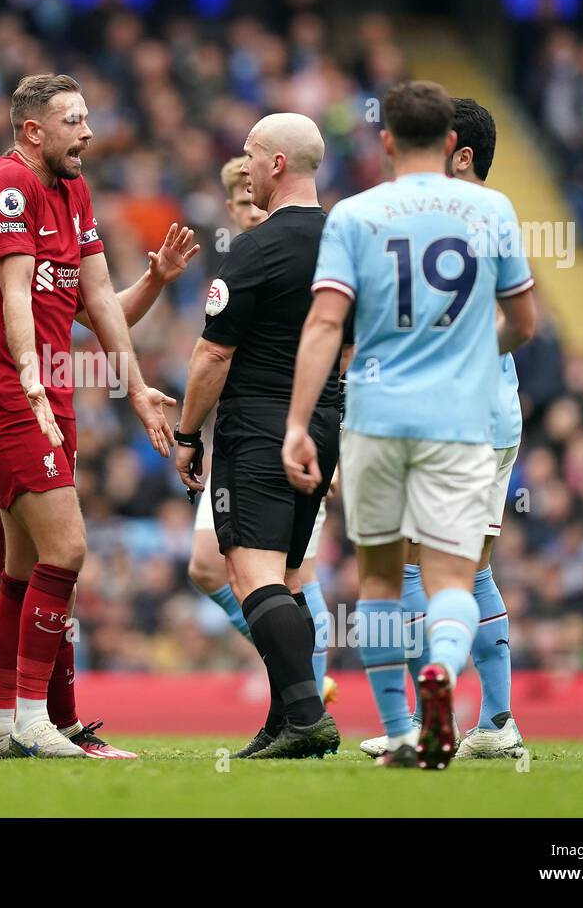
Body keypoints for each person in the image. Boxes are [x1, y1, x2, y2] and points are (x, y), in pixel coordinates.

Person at [282, 81, 537, 770]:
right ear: (451, 145)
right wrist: (467, 355)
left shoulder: (355, 214)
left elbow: (326, 323)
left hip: (376, 415)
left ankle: (402, 729)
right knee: (459, 576)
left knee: (382, 580)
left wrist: (300, 422)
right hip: (463, 415)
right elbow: (527, 321)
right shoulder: (493, 211)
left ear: (385, 139)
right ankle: (449, 680)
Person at [0, 223, 197, 758]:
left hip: (31, 432)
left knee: (23, 583)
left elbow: (101, 314)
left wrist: (154, 279)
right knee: (42, 575)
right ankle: (44, 723)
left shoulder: (49, 255)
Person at [0, 73, 175, 758]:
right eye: (74, 121)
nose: (87, 132)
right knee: (68, 549)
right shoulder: (8, 188)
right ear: (32, 131)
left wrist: (134, 387)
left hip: (55, 391)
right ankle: (32, 716)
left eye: (87, 118)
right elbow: (16, 293)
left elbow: (101, 296)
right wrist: (29, 379)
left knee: (20, 567)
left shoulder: (72, 189)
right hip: (14, 393)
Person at [360, 97, 526, 760]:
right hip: (495, 413)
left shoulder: (449, 221)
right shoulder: (498, 219)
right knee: (472, 568)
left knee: (405, 564)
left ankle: (423, 723)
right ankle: (498, 719)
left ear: (461, 155)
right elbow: (526, 322)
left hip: (453, 418)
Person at [175, 115, 344, 760]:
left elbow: (214, 355)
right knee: (291, 577)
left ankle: (305, 715)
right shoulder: (346, 242)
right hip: (322, 423)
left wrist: (189, 433)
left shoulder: (255, 248)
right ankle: (283, 718)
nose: (242, 167)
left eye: (249, 156)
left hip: (259, 428)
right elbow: (351, 348)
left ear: (277, 164)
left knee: (252, 575)